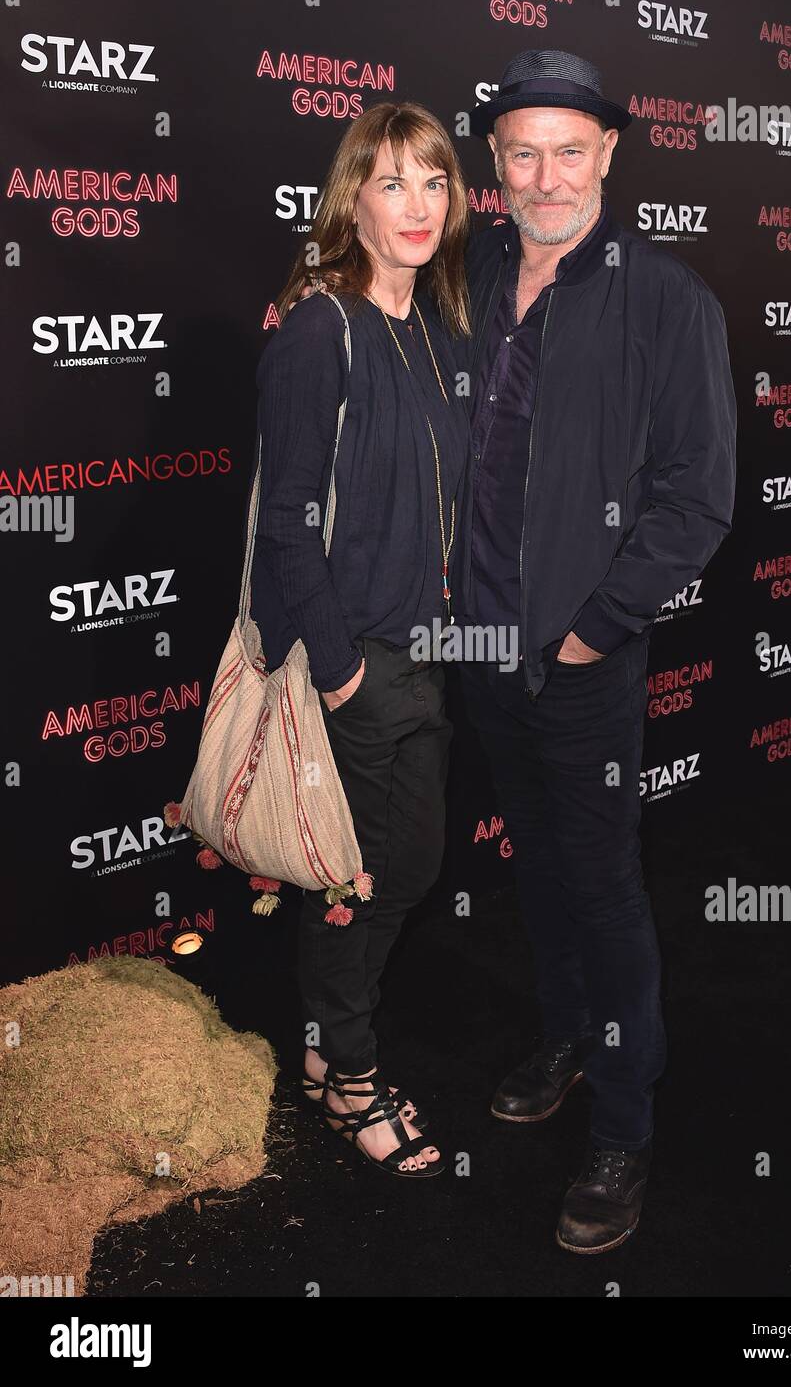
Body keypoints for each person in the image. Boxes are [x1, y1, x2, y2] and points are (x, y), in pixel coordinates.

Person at [455, 50, 737, 1247]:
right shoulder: (459, 275)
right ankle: (568, 1034)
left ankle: (623, 1121)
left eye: (569, 149)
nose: (545, 173)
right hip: (472, 643)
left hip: (578, 657)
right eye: (521, 150)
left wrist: (593, 632)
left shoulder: (666, 300)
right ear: (494, 166)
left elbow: (698, 496)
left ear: (610, 155)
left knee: (607, 889)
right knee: (538, 867)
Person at [250, 102, 472, 1177]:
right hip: (356, 666)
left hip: (429, 658)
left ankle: (320, 1036)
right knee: (358, 879)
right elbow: (286, 517)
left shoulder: (434, 331)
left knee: (411, 867)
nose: (417, 205)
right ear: (353, 201)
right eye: (393, 183)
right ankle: (349, 1075)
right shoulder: (318, 327)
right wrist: (339, 672)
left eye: (433, 182)